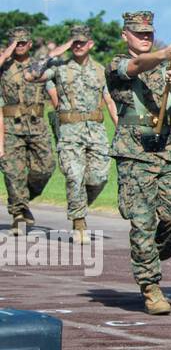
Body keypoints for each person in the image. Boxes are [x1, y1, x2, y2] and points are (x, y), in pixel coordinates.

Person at [107, 11, 171, 315]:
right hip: (135, 152)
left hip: (168, 148)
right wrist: (163, 54)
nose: (144, 38)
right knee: (142, 221)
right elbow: (135, 67)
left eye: (148, 33)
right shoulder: (118, 64)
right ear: (125, 35)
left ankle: (151, 254)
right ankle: (151, 286)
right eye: (138, 33)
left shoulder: (165, 63)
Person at [26, 25, 116, 241]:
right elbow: (31, 75)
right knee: (74, 176)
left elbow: (110, 100)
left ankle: (79, 205)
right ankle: (79, 222)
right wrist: (54, 53)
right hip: (69, 132)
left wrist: (120, 128)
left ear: (90, 44)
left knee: (99, 177)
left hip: (96, 131)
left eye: (81, 42)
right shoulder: (58, 67)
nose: (77, 46)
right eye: (74, 42)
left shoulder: (99, 70)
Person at [1, 27, 56, 232]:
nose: (19, 46)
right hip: (10, 125)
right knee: (12, 172)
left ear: (30, 44)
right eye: (16, 42)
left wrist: (59, 109)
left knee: (46, 166)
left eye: (23, 42)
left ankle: (22, 198)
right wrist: (7, 52)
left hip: (36, 124)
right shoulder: (4, 65)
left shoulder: (38, 65)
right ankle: (19, 213)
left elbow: (51, 88)